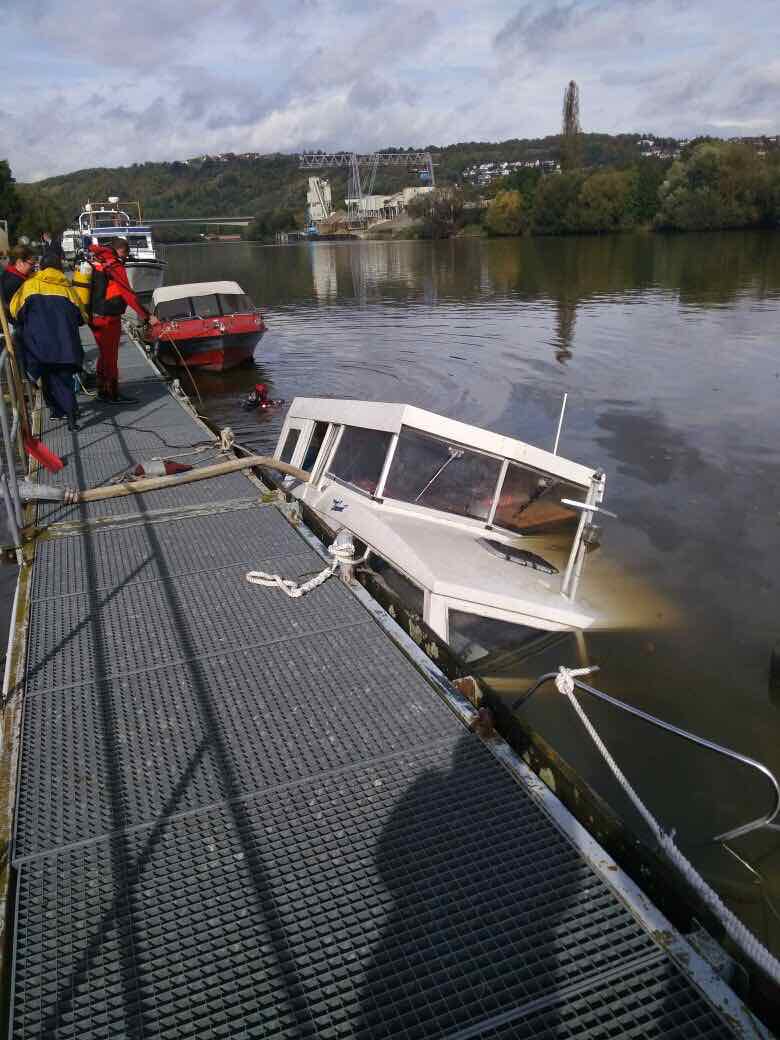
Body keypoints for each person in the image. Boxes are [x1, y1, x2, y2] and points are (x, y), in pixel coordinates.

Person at [10, 252, 86, 430]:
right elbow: (82, 317)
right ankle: (70, 415)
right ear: (60, 268)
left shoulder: (29, 286)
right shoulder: (68, 289)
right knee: (64, 379)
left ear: (41, 267)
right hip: (66, 344)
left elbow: (15, 312)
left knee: (47, 377)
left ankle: (58, 411)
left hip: (39, 345)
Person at [89, 237, 158, 403]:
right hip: (109, 318)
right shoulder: (114, 265)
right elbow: (128, 294)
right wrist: (147, 316)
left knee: (104, 355)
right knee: (111, 356)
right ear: (121, 250)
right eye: (126, 254)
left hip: (94, 316)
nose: (126, 258)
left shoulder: (98, 260)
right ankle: (113, 394)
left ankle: (102, 390)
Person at [1, 244, 34, 308]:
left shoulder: (9, 272)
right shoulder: (15, 282)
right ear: (20, 262)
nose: (33, 267)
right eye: (31, 264)